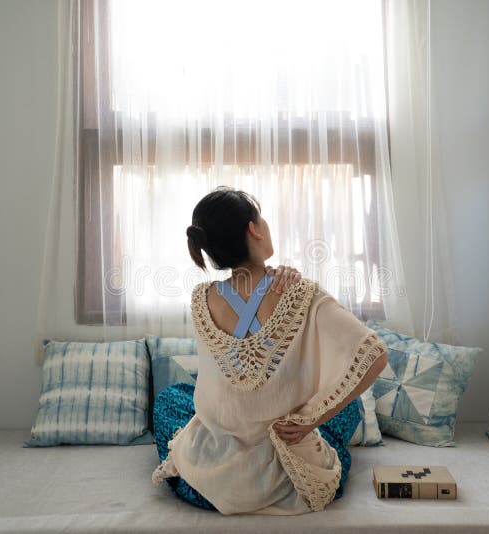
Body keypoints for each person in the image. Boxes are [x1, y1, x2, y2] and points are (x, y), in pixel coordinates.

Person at [152, 186, 388, 515]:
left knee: (170, 398)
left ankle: (209, 471)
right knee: (348, 409)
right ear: (253, 228)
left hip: (209, 486)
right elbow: (374, 355)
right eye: (260, 218)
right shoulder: (300, 292)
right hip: (290, 485)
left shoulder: (200, 299)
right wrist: (309, 421)